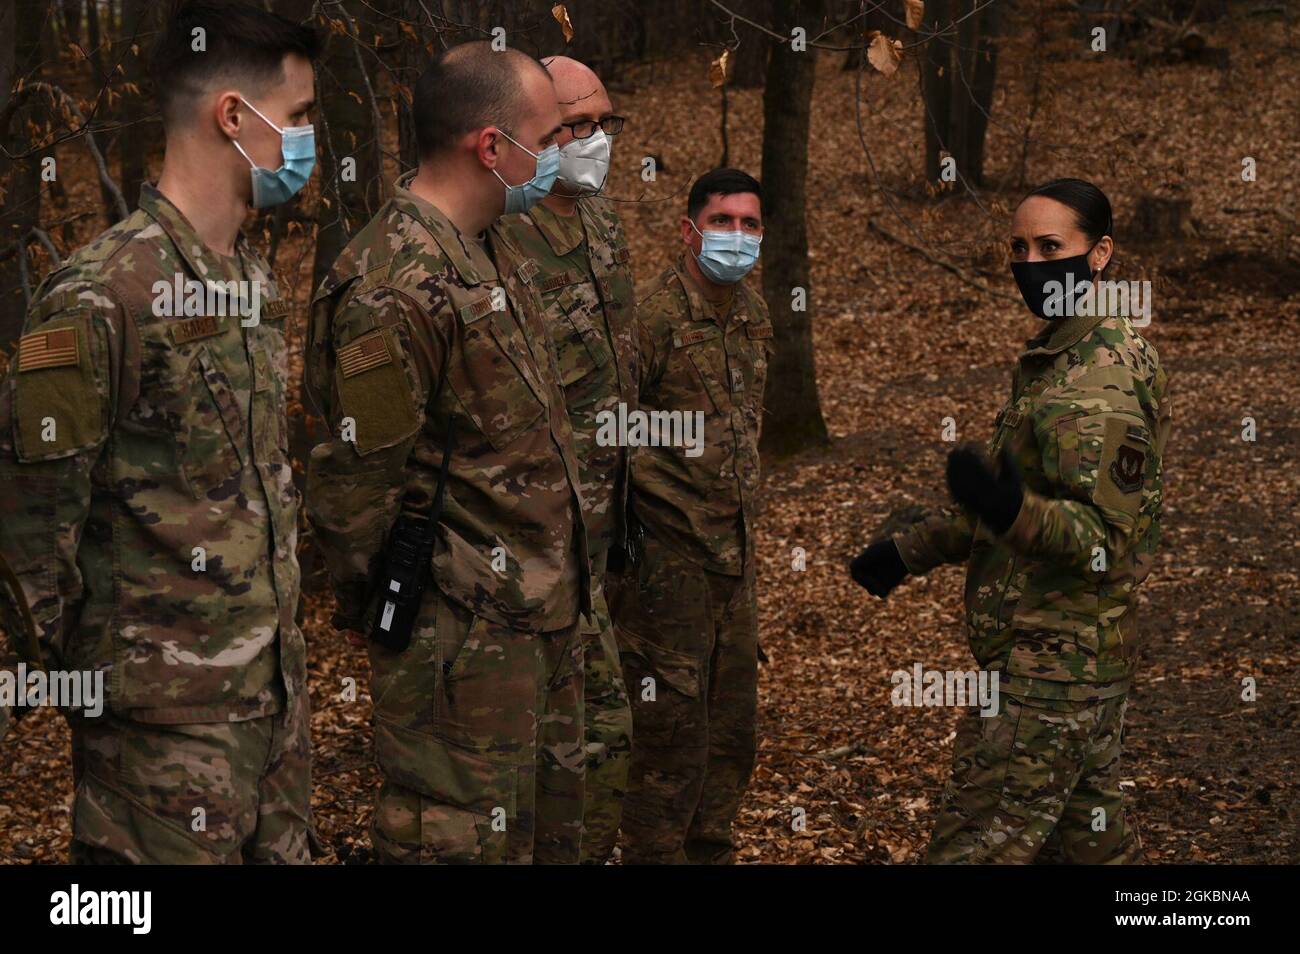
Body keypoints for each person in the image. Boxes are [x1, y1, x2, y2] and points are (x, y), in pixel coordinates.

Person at [0, 0, 320, 863]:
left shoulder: (250, 282)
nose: (306, 144)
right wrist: (115, 686)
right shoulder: (101, 294)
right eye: (296, 119)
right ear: (231, 117)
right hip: (156, 754)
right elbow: (31, 526)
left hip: (274, 721)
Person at [304, 41, 590, 865]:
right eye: (551, 135)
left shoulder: (494, 245)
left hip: (542, 621)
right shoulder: (392, 285)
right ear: (492, 147)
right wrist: (410, 612)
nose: (563, 154)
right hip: (459, 647)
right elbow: (357, 490)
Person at [850, 178, 1171, 864]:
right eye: (1019, 247)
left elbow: (1100, 541)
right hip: (1069, 666)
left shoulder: (1100, 374)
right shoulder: (1059, 356)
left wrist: (1007, 508)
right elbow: (1020, 502)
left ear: (1100, 254)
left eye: (1051, 246)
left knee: (972, 848)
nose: (1030, 263)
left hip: (1048, 672)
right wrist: (910, 551)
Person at [489, 55, 635, 865]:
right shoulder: (498, 234)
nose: (594, 142)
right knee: (541, 761)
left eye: (604, 123)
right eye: (574, 127)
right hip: (526, 549)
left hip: (600, 537)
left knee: (601, 749)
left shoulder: (601, 218)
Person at [610, 168, 772, 864]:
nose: (735, 236)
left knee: (732, 739)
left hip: (734, 562)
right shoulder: (649, 318)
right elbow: (604, 431)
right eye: (721, 222)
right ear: (688, 230)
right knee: (666, 746)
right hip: (663, 565)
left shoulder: (754, 315)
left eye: (749, 224)